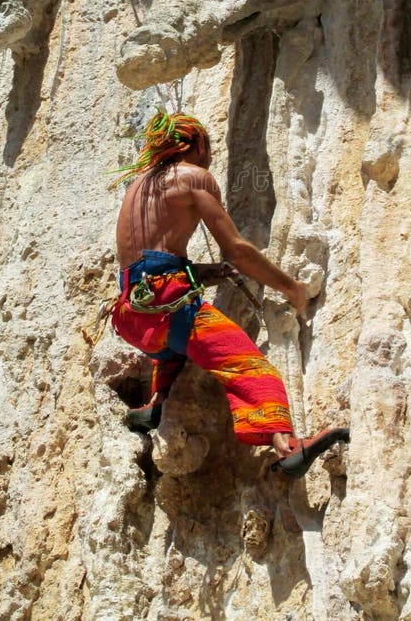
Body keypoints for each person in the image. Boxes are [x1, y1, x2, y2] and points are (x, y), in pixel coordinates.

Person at [111, 110, 349, 477]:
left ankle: (156, 404)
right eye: (209, 147)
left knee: (175, 349)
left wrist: (205, 274)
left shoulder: (137, 187)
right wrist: (292, 288)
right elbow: (236, 248)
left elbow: (147, 264)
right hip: (167, 306)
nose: (210, 158)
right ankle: (286, 444)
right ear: (196, 144)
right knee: (245, 363)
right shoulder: (194, 178)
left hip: (133, 315)